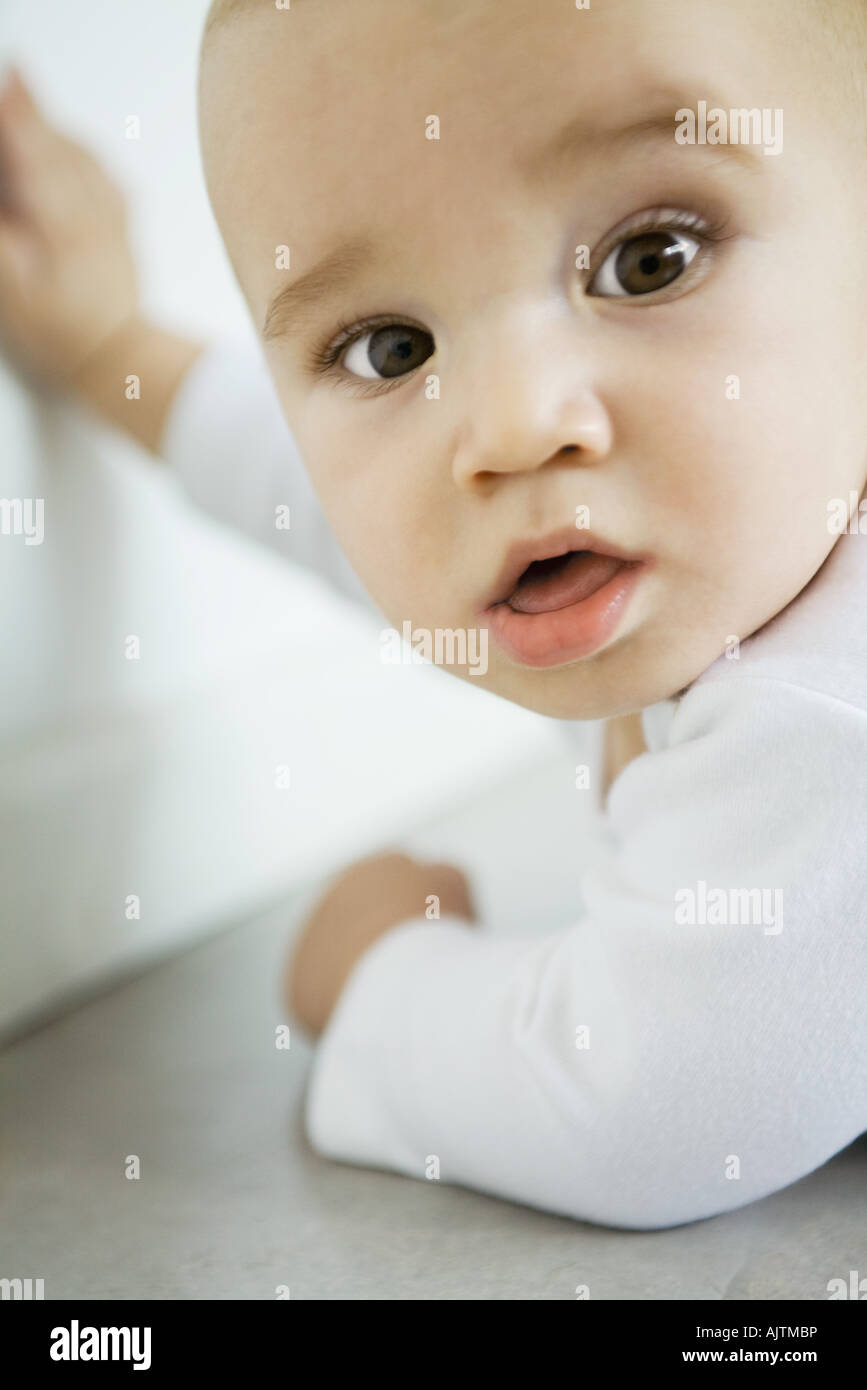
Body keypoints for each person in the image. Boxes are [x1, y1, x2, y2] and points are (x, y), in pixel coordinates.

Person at [0, 0, 865, 1229]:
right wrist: (109, 346)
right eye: (391, 349)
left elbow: (634, 1108)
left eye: (649, 259)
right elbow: (315, 498)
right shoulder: (669, 530)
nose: (512, 427)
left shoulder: (830, 716)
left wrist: (376, 979)